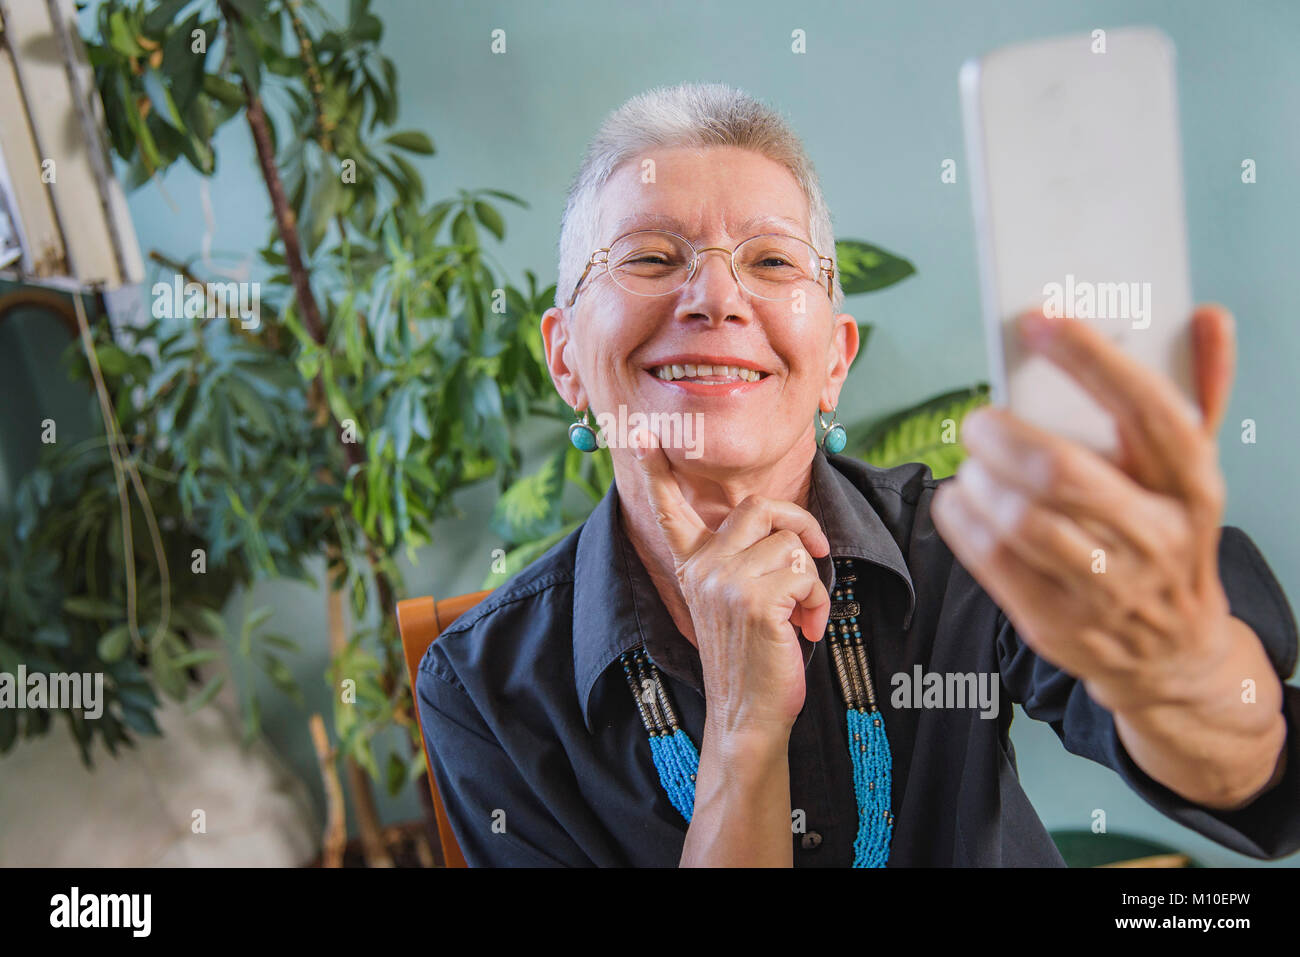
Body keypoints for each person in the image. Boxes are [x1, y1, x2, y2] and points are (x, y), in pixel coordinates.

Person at [414, 82, 1298, 866]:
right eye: (650, 257)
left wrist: (1188, 677)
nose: (716, 298)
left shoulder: (967, 545)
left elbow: (1242, 761)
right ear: (564, 357)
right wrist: (743, 736)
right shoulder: (482, 683)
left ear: (835, 359)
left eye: (770, 260)